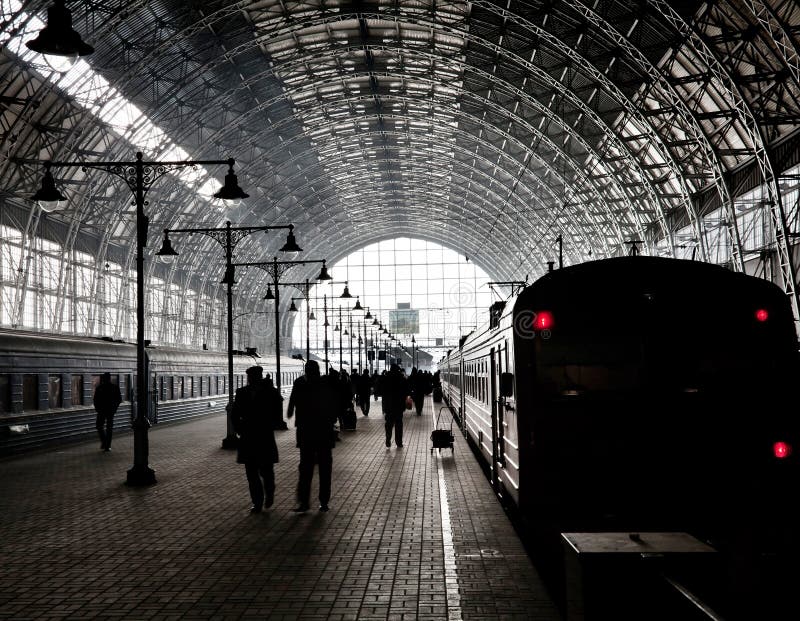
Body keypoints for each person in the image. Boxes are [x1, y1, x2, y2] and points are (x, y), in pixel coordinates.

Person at [287, 361, 338, 512]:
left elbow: (292, 400)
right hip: (316, 431)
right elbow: (334, 402)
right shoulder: (323, 383)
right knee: (320, 468)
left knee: (308, 468)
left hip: (311, 431)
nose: (310, 373)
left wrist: (290, 411)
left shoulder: (314, 383)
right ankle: (320, 502)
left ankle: (310, 502)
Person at [232, 366, 281, 513]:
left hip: (264, 436)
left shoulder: (271, 392)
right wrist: (240, 429)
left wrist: (271, 424)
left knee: (266, 471)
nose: (251, 379)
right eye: (250, 376)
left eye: (253, 376)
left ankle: (270, 491)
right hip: (248, 437)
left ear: (259, 376)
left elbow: (277, 411)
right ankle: (257, 502)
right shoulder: (241, 393)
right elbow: (235, 414)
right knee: (251, 473)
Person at [382, 363, 409, 448]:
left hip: (388, 405)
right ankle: (399, 442)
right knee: (398, 424)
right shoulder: (401, 378)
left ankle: (388, 439)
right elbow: (407, 391)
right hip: (399, 405)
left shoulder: (385, 378)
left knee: (388, 424)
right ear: (398, 370)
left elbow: (380, 390)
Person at [93, 372, 121, 451]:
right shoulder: (115, 387)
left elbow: (95, 400)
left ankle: (105, 442)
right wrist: (114, 409)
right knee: (109, 428)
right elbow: (119, 400)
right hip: (110, 411)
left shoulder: (100, 387)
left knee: (99, 426)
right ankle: (107, 445)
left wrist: (97, 408)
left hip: (102, 411)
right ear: (110, 378)